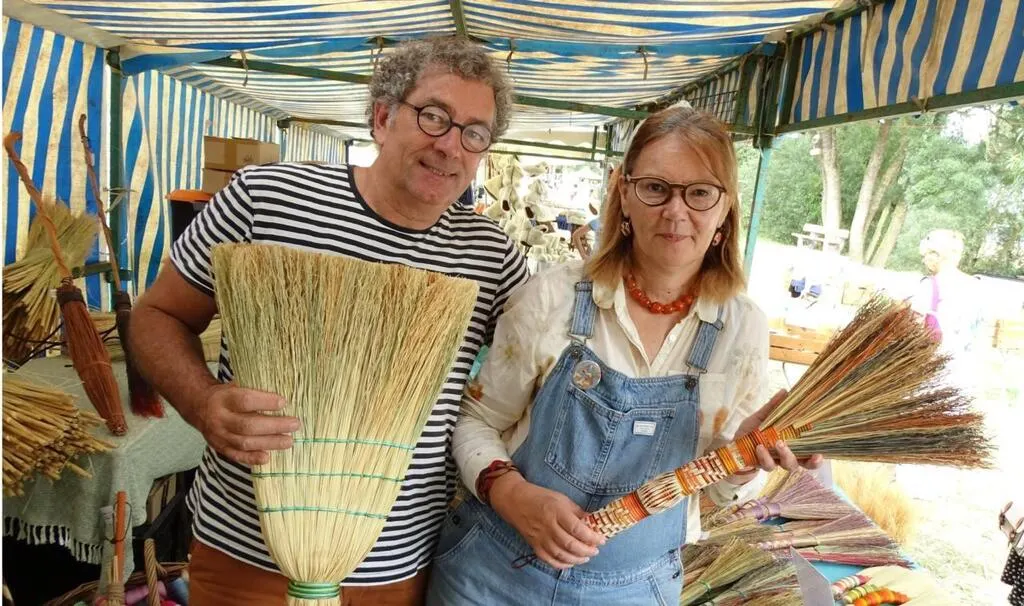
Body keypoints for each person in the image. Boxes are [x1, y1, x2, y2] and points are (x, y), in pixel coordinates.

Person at [129, 36, 528, 606]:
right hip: (245, 555)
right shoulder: (267, 199)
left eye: (474, 133)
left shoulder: (491, 256)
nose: (451, 146)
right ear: (383, 117)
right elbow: (158, 315)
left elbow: (543, 378)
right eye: (434, 117)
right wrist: (202, 403)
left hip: (398, 570)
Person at [426, 107, 822, 605]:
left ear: (725, 211)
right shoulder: (553, 298)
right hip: (491, 577)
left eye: (700, 193)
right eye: (656, 188)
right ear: (624, 196)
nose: (676, 212)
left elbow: (713, 497)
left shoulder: (741, 329)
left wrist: (743, 461)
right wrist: (512, 493)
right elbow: (474, 420)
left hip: (635, 590)